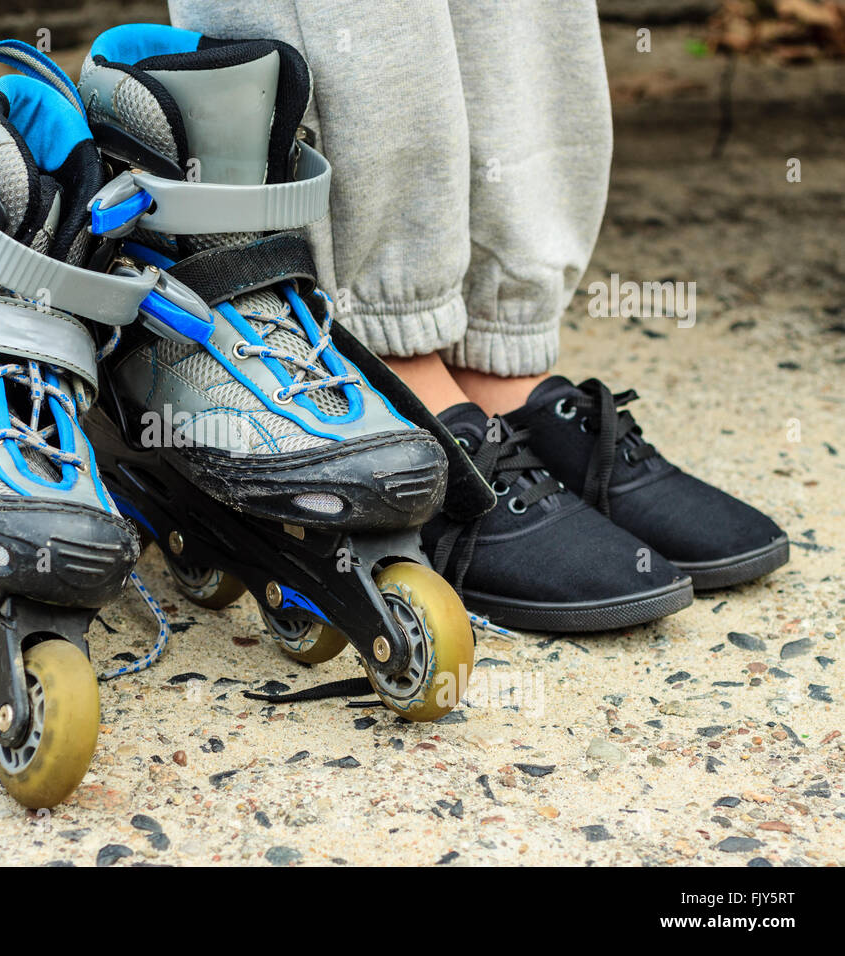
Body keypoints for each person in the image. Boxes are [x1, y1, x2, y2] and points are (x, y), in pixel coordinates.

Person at [165, 0, 788, 630]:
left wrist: (507, 319)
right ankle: (388, 349)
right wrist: (392, 302)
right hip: (345, 315)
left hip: (496, 313)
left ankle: (495, 353)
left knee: (511, 21)